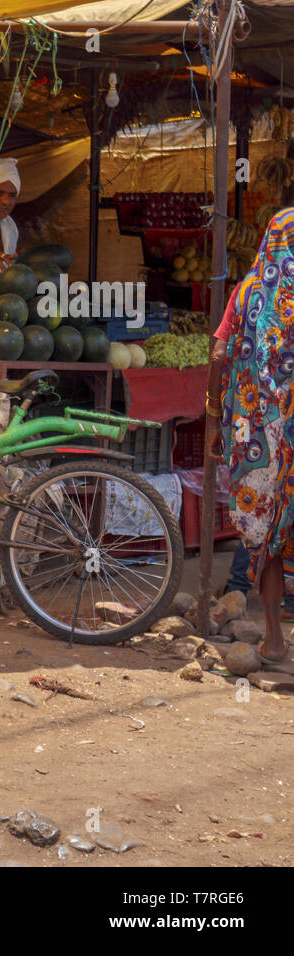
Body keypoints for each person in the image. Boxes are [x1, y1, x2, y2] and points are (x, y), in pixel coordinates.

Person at [208, 207, 294, 666]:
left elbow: (219, 354)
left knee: (266, 535)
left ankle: (275, 638)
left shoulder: (245, 293)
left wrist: (213, 415)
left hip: (254, 442)